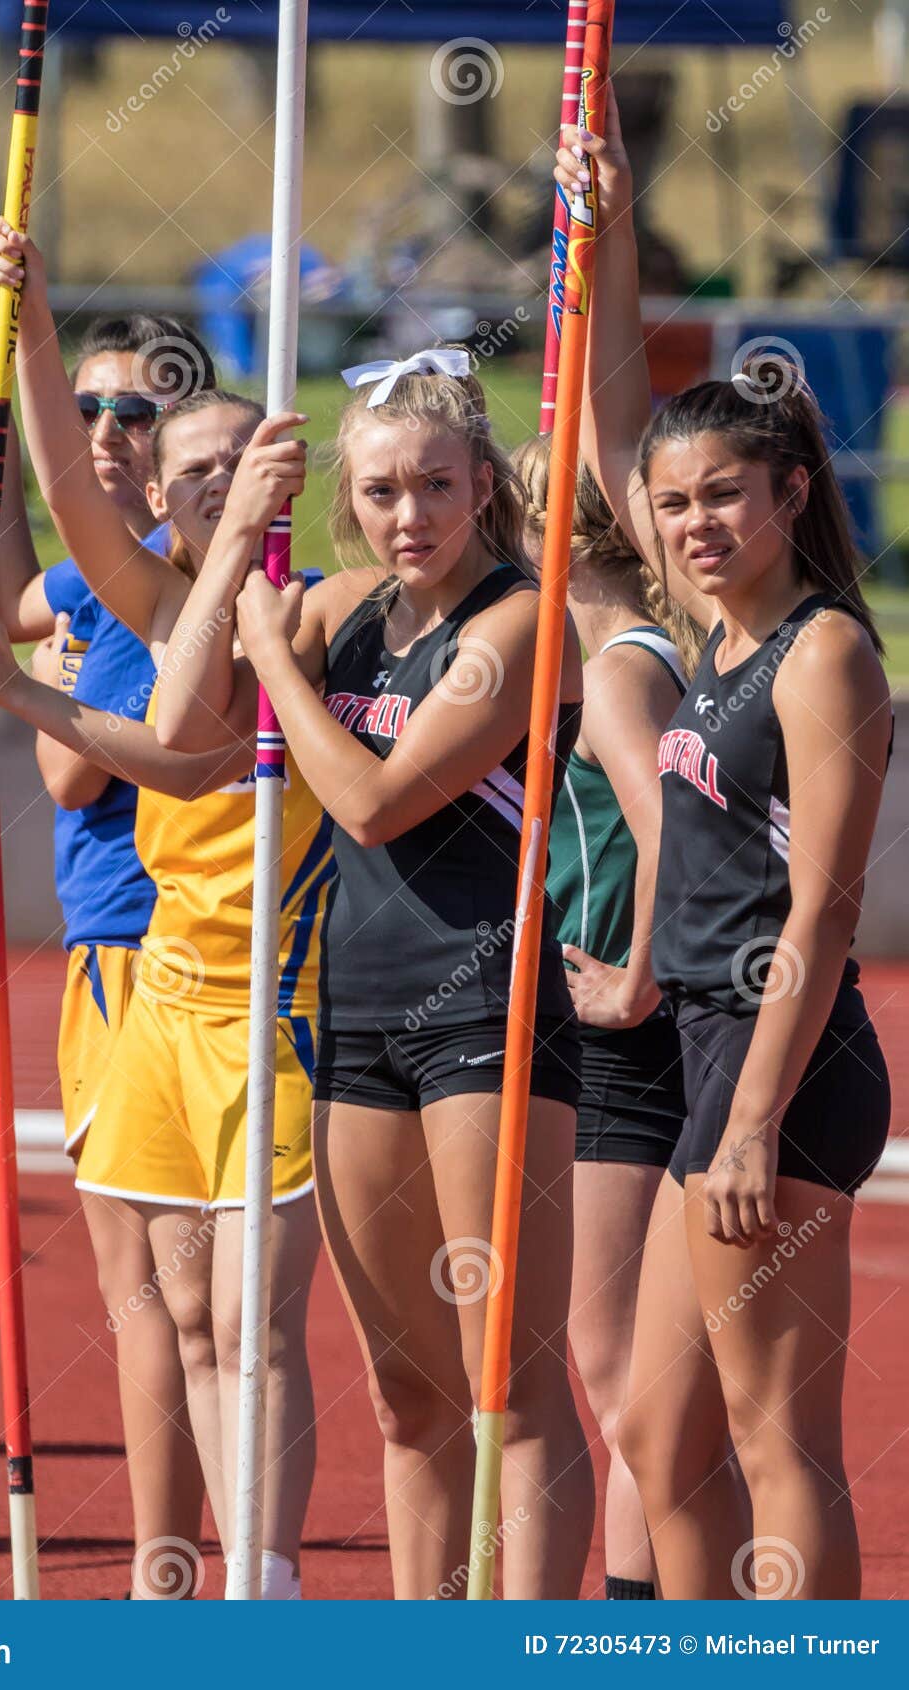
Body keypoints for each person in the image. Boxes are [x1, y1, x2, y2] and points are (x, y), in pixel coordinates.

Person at [155, 349, 595, 1599]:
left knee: (502, 1374)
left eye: (437, 487)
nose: (412, 516)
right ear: (349, 497)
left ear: (481, 489)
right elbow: (186, 726)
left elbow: (373, 803)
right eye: (385, 491)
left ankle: (521, 1646)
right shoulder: (339, 603)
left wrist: (277, 666)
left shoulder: (518, 614)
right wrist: (238, 540)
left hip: (484, 1013)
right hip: (352, 1017)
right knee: (407, 1393)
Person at [0, 216, 334, 1600]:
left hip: (283, 1009)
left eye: (235, 466)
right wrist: (28, 331)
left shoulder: (312, 612)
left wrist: (36, 694)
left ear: (279, 479)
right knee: (181, 1309)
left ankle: (263, 1586)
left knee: (251, 1321)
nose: (209, 488)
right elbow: (63, 496)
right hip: (163, 1004)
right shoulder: (158, 595)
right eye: (189, 474)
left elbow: (174, 743)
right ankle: (176, 1583)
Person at [560, 111, 893, 1599]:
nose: (689, 522)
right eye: (675, 505)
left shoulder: (821, 657)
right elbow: (611, 422)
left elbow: (821, 914)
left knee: (771, 1435)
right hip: (708, 1043)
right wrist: (607, 231)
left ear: (790, 499)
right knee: (654, 1425)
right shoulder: (718, 633)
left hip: (785, 1060)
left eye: (720, 500)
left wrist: (751, 1116)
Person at [0, 309, 222, 1598]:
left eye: (136, 413)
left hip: (150, 956)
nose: (108, 431)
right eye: (90, 407)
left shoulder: (152, 579)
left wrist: (48, 662)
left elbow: (60, 768)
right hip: (119, 957)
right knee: (175, 1300)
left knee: (166, 1296)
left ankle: (176, 1577)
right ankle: (192, 1568)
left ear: (178, 446)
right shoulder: (116, 581)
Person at [515, 438, 701, 1601]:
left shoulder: (624, 669)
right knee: (629, 1364)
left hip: (621, 1044)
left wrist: (635, 979)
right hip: (614, 1035)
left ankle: (642, 1618)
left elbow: (673, 825)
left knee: (618, 1363)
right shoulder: (609, 657)